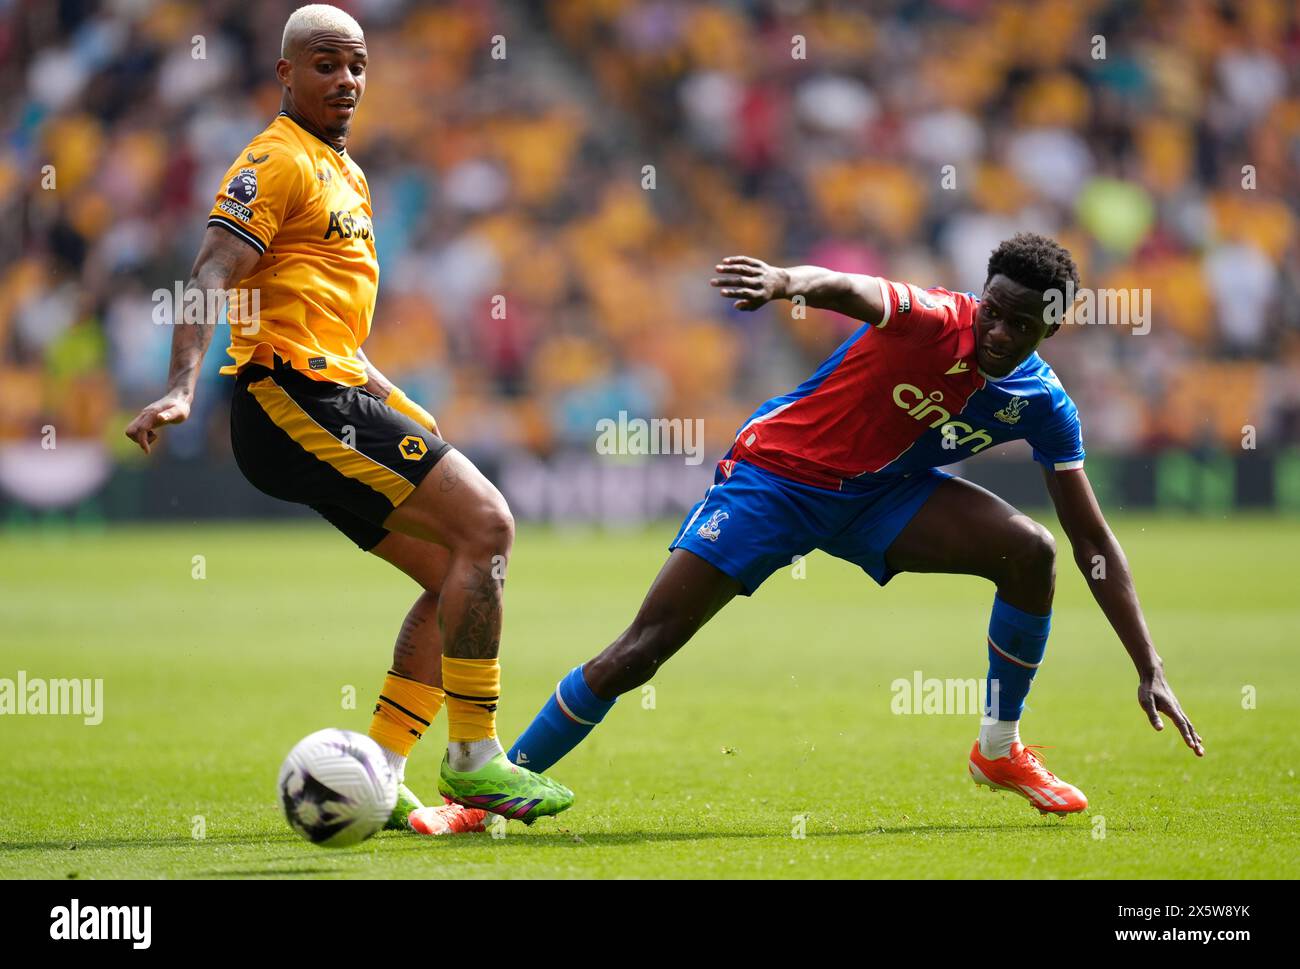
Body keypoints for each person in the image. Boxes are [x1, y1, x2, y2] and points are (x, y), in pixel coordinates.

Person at [414, 232, 1202, 834]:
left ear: (1049, 330)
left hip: (881, 496)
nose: (996, 329)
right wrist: (787, 282)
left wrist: (1150, 663)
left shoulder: (1043, 403)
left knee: (1034, 552)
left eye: (1020, 322)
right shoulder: (936, 318)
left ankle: (999, 747)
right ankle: (484, 797)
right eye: (992, 309)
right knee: (642, 648)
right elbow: (857, 291)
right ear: (980, 297)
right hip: (778, 481)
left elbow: (1094, 538)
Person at [124, 3, 570, 833]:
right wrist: (183, 382)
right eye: (327, 64)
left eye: (357, 65)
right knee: (489, 525)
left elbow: (332, 327)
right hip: (287, 394)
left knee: (453, 574)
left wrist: (398, 401)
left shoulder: (351, 177)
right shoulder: (274, 161)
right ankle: (475, 756)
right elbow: (209, 270)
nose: (347, 80)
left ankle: (381, 768)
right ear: (287, 73)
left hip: (333, 388)